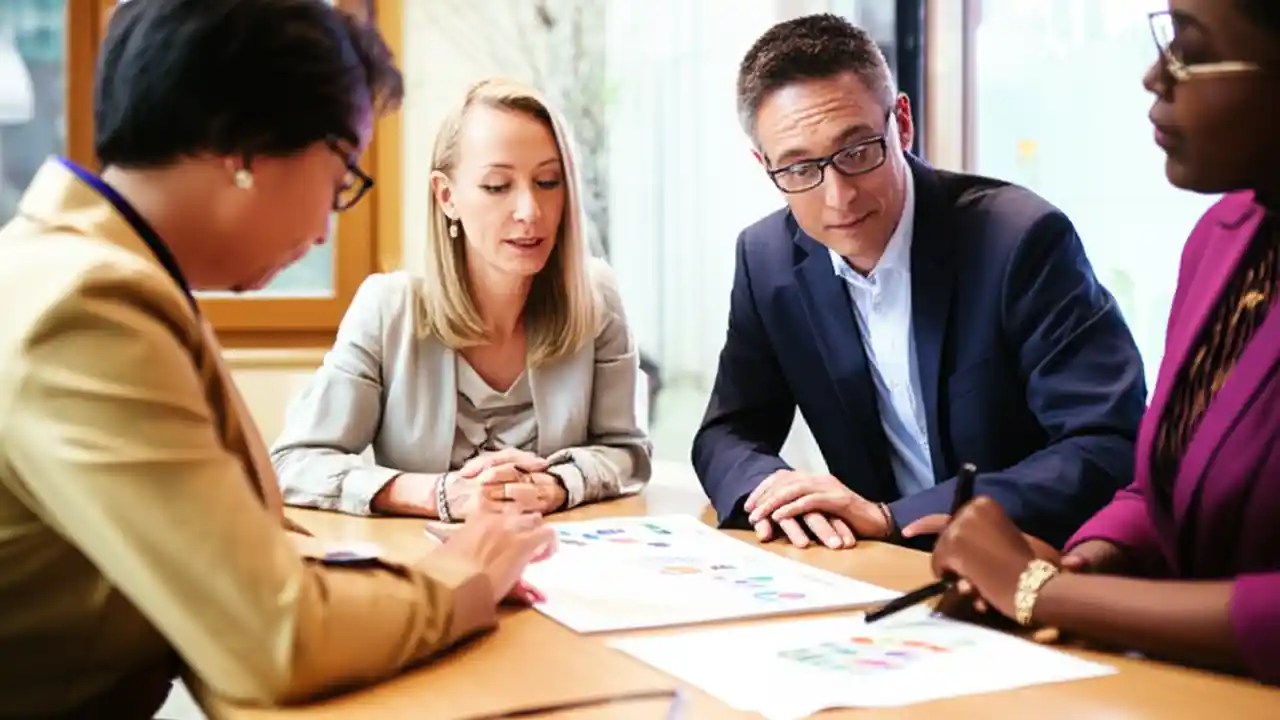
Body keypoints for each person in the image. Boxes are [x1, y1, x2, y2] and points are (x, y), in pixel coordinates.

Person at [0, 3, 555, 717]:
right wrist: (462, 574)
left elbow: (239, 542)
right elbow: (272, 637)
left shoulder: (80, 264)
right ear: (244, 144)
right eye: (339, 176)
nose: (329, 228)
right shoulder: (89, 308)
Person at [692, 14, 1147, 551]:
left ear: (901, 123)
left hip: (1031, 561)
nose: (838, 197)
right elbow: (727, 431)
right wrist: (774, 493)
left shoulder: (1018, 240)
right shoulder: (766, 259)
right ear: (763, 163)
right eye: (798, 169)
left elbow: (1107, 443)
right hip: (871, 571)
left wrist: (891, 516)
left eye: (858, 151)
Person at [926, 0, 1280, 685]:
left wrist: (1044, 593)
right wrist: (1088, 559)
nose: (1156, 76)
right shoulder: (1222, 237)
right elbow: (1162, 488)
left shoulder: (1018, 237)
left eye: (1190, 49)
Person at [271, 78, 651, 521]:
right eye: (496, 186)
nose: (530, 211)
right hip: (426, 568)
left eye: (548, 182)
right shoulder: (388, 309)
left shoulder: (596, 297)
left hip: (559, 562)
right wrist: (438, 493)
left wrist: (556, 485)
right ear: (446, 196)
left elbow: (627, 453)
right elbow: (295, 464)